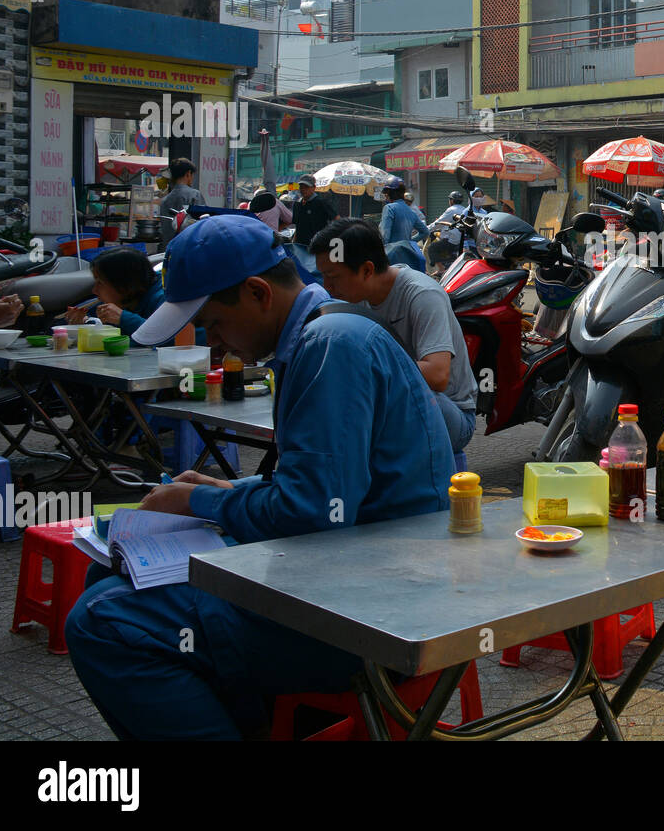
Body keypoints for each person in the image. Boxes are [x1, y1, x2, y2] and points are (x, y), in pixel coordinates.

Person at [64, 214, 455, 740]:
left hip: (375, 612)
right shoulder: (324, 336)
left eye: (216, 325)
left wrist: (195, 505)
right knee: (114, 576)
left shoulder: (329, 346)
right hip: (359, 575)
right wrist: (228, 489)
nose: (217, 345)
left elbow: (315, 511)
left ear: (256, 293)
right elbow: (327, 489)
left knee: (103, 620)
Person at [311, 219, 478, 465]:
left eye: (333, 276)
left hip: (451, 414)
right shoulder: (355, 296)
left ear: (367, 270)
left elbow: (438, 374)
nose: (327, 287)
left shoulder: (422, 295)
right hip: (397, 403)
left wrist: (367, 367)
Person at [157, 158, 203, 246]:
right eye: (192, 175)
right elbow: (202, 224)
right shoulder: (195, 195)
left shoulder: (164, 201)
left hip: (169, 248)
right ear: (188, 174)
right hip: (189, 248)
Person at [290, 173, 338, 246]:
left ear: (314, 187)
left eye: (306, 187)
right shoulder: (297, 204)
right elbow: (298, 226)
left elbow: (337, 219)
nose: (303, 190)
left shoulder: (320, 203)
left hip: (318, 245)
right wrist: (294, 241)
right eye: (301, 187)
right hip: (300, 245)